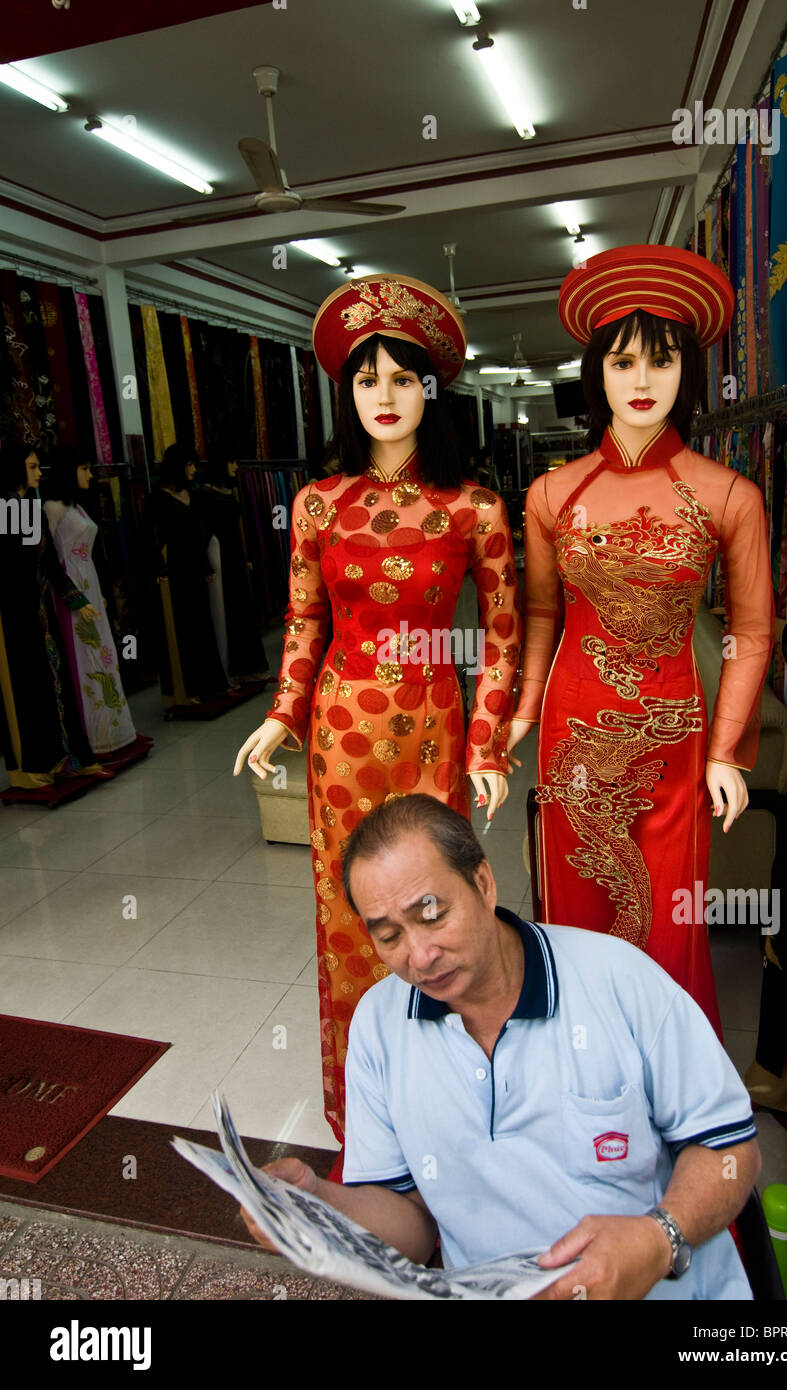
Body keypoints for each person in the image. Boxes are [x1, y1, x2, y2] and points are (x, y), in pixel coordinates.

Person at [241, 794, 762, 1301]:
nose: (420, 956)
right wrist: (320, 1207)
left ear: (484, 884)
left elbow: (731, 1149)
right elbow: (413, 1225)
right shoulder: (380, 1025)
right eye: (389, 935)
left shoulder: (620, 981)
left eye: (432, 914)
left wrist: (658, 1239)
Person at [234, 274, 521, 1146]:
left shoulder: (471, 506)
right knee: (354, 917)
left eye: (403, 378)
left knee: (438, 908)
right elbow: (305, 617)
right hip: (340, 734)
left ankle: (451, 1102)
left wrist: (489, 745)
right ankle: (364, 1112)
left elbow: (502, 635)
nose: (385, 397)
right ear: (347, 392)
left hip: (433, 723)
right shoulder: (319, 502)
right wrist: (284, 710)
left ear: (430, 391)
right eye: (368, 380)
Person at [507, 246, 775, 1035]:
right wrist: (521, 711)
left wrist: (725, 751)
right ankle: (579, 1077)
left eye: (661, 361)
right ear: (598, 372)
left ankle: (668, 1088)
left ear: (686, 372)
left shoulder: (728, 493)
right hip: (572, 735)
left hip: (675, 737)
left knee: (667, 917)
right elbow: (542, 616)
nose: (641, 380)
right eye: (622, 361)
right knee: (577, 906)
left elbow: (751, 631)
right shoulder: (554, 492)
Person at [0, 440, 108, 787]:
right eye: (31, 467)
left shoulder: (29, 504)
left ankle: (70, 757)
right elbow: (11, 564)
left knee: (53, 680)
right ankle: (35, 764)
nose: (37, 472)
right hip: (16, 612)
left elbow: (44, 560)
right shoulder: (6, 506)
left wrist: (75, 598)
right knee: (29, 684)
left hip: (39, 607)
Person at [42, 447, 138, 754]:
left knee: (103, 654)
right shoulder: (52, 508)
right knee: (84, 657)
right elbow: (47, 559)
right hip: (73, 590)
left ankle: (114, 728)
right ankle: (93, 735)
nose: (90, 474)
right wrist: (73, 598)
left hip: (91, 585)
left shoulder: (77, 507)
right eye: (84, 468)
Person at [143, 442, 228, 710]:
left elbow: (198, 535)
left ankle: (209, 686)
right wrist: (159, 568)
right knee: (184, 631)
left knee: (202, 626)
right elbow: (148, 538)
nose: (193, 470)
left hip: (194, 570)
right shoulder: (158, 498)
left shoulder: (192, 495)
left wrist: (205, 565)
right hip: (176, 573)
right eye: (189, 465)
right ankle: (187, 689)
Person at [200, 449, 269, 686]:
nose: (235, 466)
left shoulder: (229, 490)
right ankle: (229, 670)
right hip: (219, 555)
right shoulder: (206, 494)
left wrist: (246, 554)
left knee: (240, 608)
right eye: (231, 461)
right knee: (225, 609)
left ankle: (246, 667)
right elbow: (205, 532)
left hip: (235, 555)